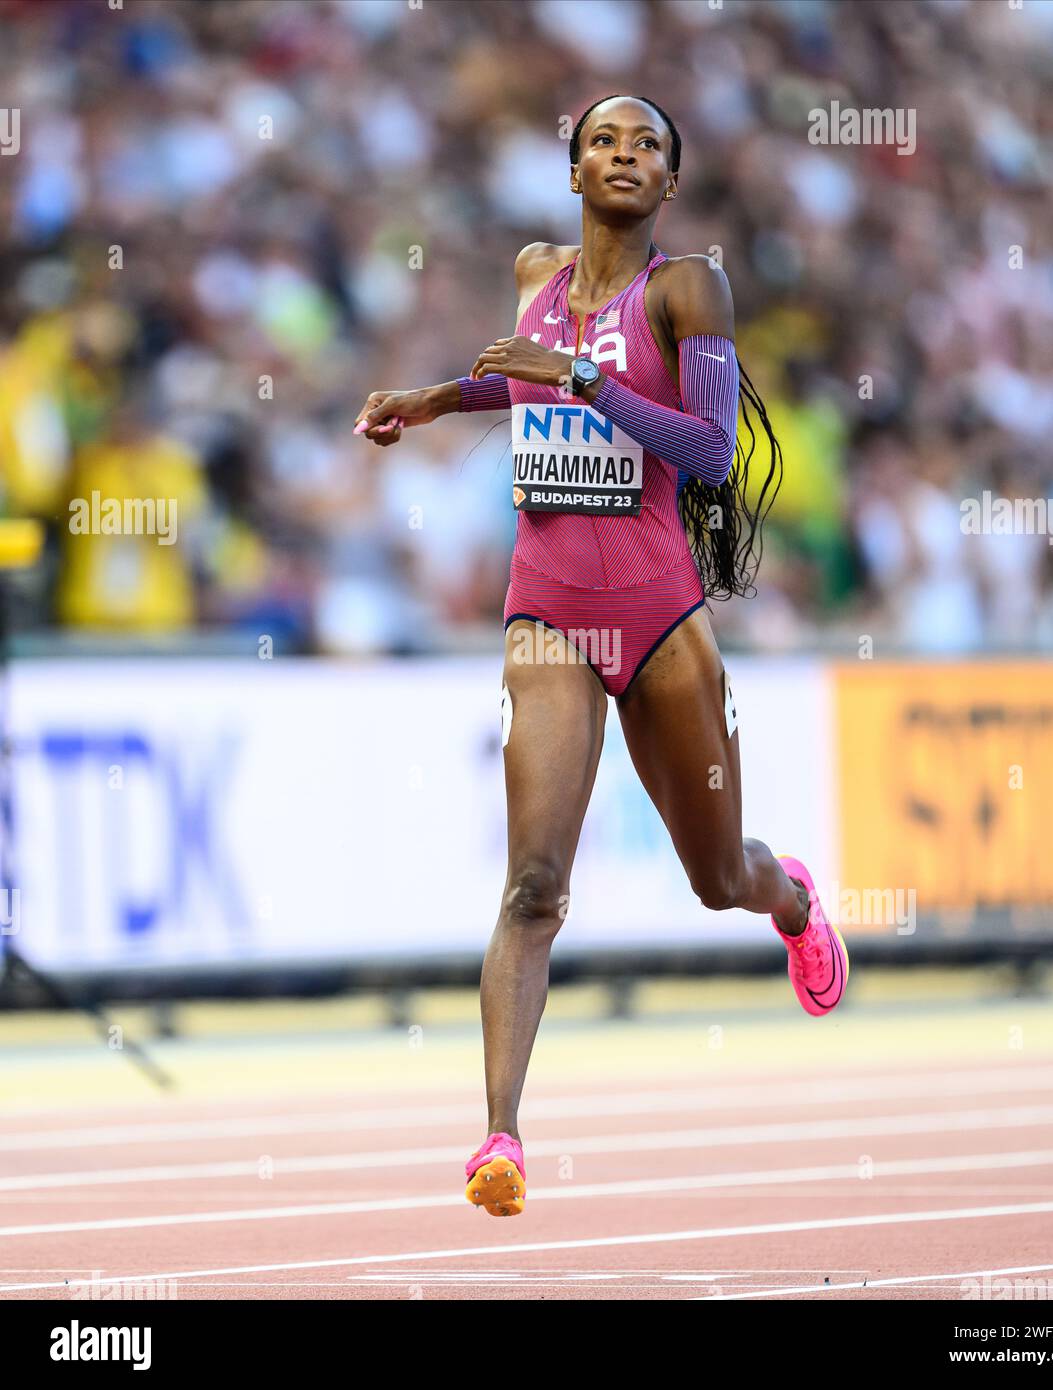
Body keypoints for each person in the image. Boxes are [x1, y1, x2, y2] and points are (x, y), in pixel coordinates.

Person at [354, 95, 850, 1219]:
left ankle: (791, 903)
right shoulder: (535, 271)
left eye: (650, 147)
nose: (626, 156)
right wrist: (434, 398)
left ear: (669, 184)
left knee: (718, 877)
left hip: (663, 619)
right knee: (534, 884)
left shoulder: (688, 290)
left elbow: (710, 447)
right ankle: (500, 1138)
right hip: (549, 614)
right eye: (605, 142)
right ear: (571, 167)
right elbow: (519, 377)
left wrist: (583, 377)